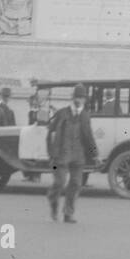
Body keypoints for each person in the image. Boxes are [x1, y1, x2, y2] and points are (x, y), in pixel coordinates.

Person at [46, 84, 98, 224]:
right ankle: (53, 200)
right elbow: (51, 134)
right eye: (76, 97)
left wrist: (95, 154)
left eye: (81, 97)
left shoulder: (86, 116)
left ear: (85, 100)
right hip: (60, 156)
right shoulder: (62, 113)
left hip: (78, 156)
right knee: (60, 182)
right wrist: (51, 153)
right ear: (72, 98)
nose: (78, 100)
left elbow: (89, 137)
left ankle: (68, 214)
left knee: (75, 184)